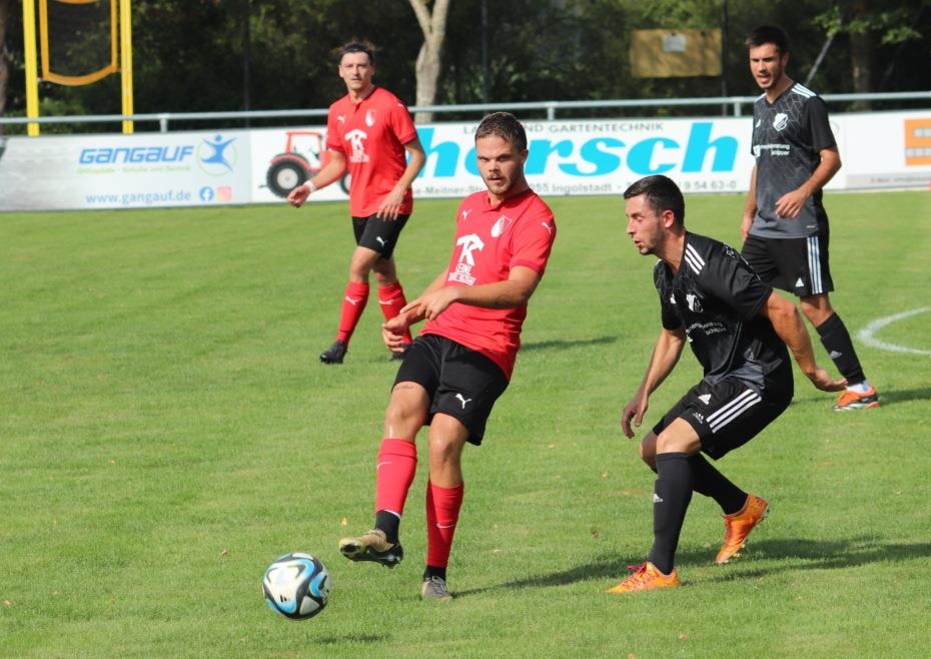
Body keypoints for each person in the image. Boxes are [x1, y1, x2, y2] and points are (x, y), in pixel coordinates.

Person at [337, 112, 557, 602]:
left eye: (502, 158)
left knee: (442, 443)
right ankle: (385, 533)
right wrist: (413, 312)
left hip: (488, 348)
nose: (493, 168)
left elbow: (518, 290)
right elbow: (458, 267)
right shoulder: (470, 206)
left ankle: (434, 572)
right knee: (400, 410)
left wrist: (456, 294)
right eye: (484, 159)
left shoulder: (536, 216)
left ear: (523, 156)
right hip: (439, 336)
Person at [608, 175, 845, 594]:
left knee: (673, 445)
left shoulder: (710, 262)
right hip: (722, 377)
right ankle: (740, 507)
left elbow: (784, 310)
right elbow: (673, 335)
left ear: (666, 218)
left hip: (759, 378)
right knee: (652, 450)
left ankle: (660, 569)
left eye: (636, 217)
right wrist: (642, 392)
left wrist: (812, 372)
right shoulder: (665, 274)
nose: (628, 228)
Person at [740, 25, 879, 411]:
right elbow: (760, 163)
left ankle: (860, 386)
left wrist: (803, 193)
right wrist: (749, 210)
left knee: (814, 306)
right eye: (755, 61)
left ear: (784, 58)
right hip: (764, 227)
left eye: (768, 59)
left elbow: (831, 159)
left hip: (800, 227)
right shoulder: (758, 106)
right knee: (739, 296)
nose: (761, 68)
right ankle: (753, 377)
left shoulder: (807, 103)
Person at [288, 41, 426, 365]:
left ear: (372, 69)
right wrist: (309, 186)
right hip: (360, 205)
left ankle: (339, 344)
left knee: (358, 265)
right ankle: (404, 345)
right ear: (340, 71)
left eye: (362, 65)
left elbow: (418, 155)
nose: (356, 71)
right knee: (383, 273)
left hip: (391, 204)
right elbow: (338, 164)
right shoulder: (337, 111)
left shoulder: (390, 105)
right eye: (349, 66)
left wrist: (398, 190)